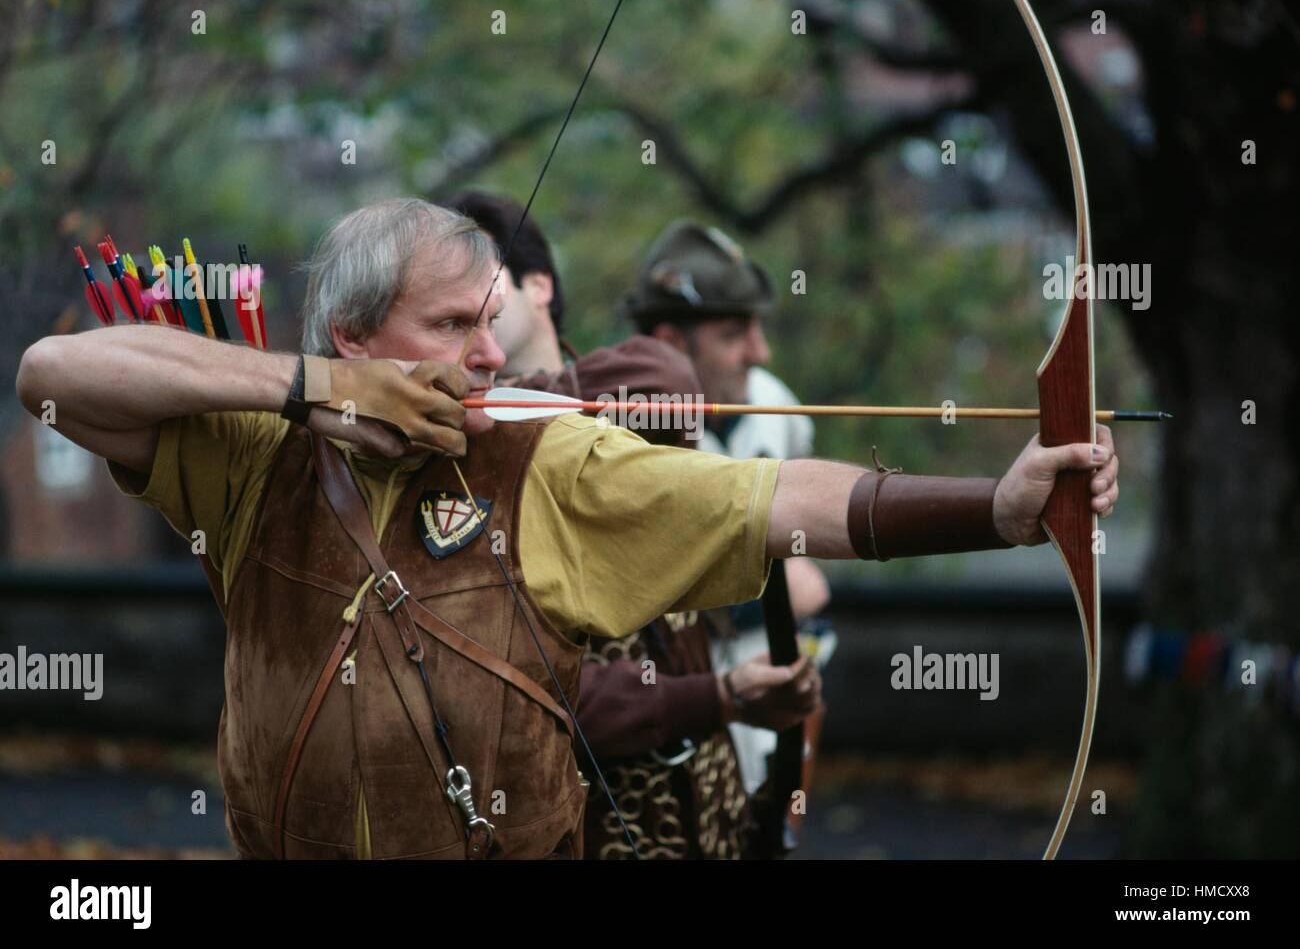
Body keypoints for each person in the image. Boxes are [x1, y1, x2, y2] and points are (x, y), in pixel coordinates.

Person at [15, 198, 1121, 860]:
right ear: (353, 336)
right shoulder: (254, 458)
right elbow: (52, 376)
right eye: (452, 326)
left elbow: (775, 500)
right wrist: (308, 393)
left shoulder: (547, 460)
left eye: (491, 324)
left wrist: (999, 506)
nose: (489, 357)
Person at [442, 190, 820, 858]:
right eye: (446, 303)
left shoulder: (618, 390)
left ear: (540, 287)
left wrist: (511, 408)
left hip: (707, 800)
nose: (473, 310)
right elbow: (535, 690)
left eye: (485, 281)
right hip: (586, 818)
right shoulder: (455, 459)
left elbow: (662, 377)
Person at [625, 220, 832, 797]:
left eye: (757, 328)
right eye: (732, 333)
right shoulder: (619, 433)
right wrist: (781, 589)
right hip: (673, 718)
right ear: (669, 342)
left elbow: (806, 561)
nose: (759, 352)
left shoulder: (777, 405)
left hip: (777, 693)